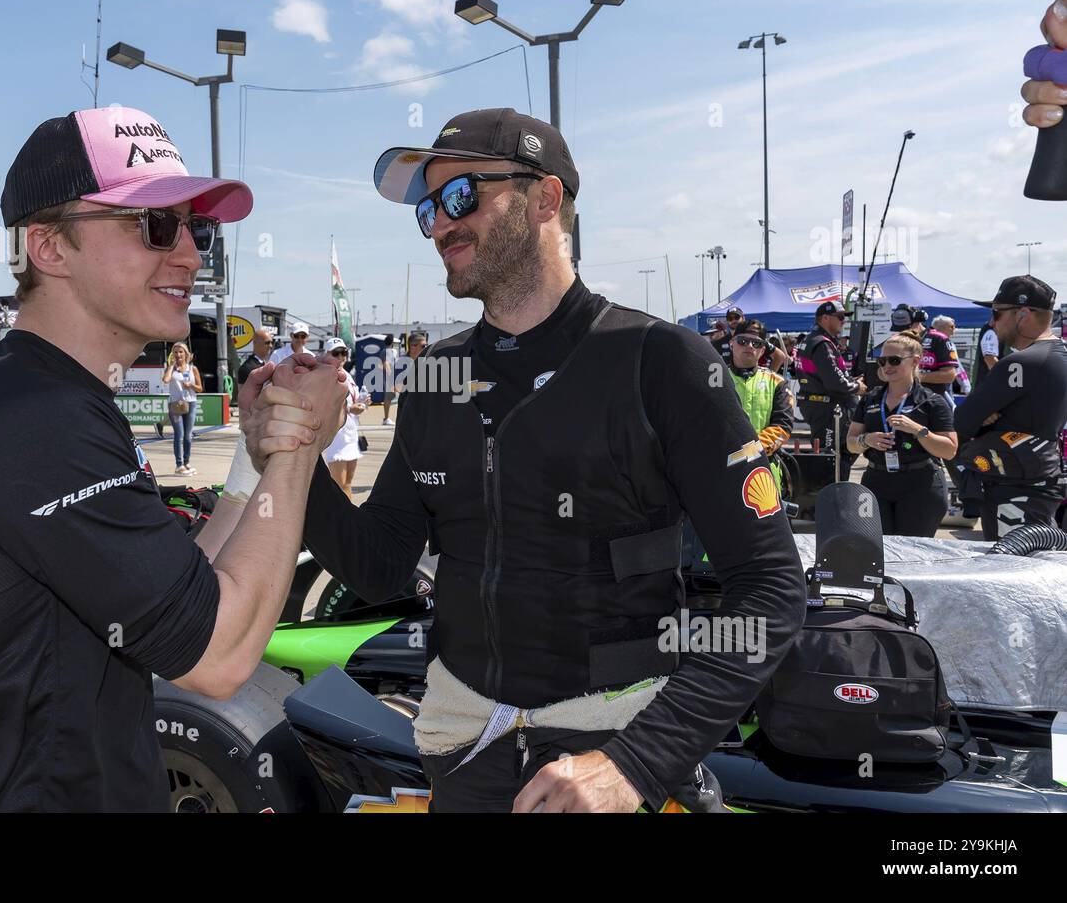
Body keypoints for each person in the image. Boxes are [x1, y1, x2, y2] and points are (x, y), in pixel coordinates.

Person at [244, 106, 806, 813]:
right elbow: (379, 566)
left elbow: (772, 589)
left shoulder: (660, 361)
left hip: (617, 749)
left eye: (461, 196)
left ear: (547, 198)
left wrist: (636, 762)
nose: (441, 224)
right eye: (428, 209)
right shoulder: (436, 377)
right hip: (467, 750)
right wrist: (290, 452)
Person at [0, 105, 348, 812]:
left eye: (197, 226)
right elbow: (218, 656)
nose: (192, 253)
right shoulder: (30, 416)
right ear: (48, 247)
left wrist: (255, 458)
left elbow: (183, 593)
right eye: (155, 224)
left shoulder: (48, 396)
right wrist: (298, 440)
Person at [954, 276, 1067, 541]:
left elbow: (962, 421)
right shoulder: (1059, 356)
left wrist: (985, 421)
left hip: (1013, 491)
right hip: (1038, 483)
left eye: (997, 313)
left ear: (1023, 314)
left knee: (1010, 573)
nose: (992, 322)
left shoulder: (1021, 363)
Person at [847, 334, 958, 537]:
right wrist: (867, 440)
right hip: (876, 481)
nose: (887, 365)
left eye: (895, 360)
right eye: (882, 361)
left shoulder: (931, 401)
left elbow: (950, 450)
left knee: (913, 555)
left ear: (915, 361)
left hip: (920, 484)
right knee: (876, 553)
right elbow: (851, 443)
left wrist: (918, 430)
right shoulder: (871, 399)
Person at [792, 300, 865, 477]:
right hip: (828, 410)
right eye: (840, 317)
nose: (844, 321)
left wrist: (850, 380)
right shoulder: (821, 343)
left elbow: (824, 376)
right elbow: (835, 383)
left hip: (820, 406)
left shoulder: (812, 340)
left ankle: (830, 495)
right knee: (836, 456)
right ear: (825, 318)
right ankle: (836, 498)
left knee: (833, 454)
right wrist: (857, 387)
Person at [727, 320, 794, 493]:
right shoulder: (716, 379)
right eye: (743, 341)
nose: (749, 346)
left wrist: (747, 453)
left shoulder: (777, 382)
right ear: (731, 343)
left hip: (764, 470)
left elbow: (783, 427)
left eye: (756, 343)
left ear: (763, 350)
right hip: (721, 466)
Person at [322, 337, 369, 501]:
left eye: (344, 353)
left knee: (348, 483)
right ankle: (340, 522)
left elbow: (351, 402)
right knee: (338, 486)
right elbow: (324, 405)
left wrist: (362, 403)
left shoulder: (347, 375)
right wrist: (350, 409)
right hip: (336, 435)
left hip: (350, 432)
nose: (341, 357)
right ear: (327, 355)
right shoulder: (324, 376)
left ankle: (348, 520)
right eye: (336, 353)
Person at [163, 341, 201, 476]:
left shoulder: (192, 368)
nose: (178, 354)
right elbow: (166, 380)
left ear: (186, 354)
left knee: (188, 436)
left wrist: (190, 385)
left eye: (181, 352)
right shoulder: (171, 368)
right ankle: (179, 465)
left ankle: (186, 462)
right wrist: (171, 366)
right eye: (175, 352)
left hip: (190, 403)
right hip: (175, 403)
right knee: (179, 435)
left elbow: (200, 388)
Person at [910, 309, 960, 406]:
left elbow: (953, 373)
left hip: (936, 396)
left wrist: (913, 376)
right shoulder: (899, 339)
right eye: (951, 327)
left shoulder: (941, 340)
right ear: (941, 327)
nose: (954, 330)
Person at [972, 313, 1005, 390]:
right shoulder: (991, 331)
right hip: (988, 387)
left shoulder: (993, 329)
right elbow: (989, 358)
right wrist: (1004, 379)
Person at [381, 333, 399, 426]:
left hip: (392, 377)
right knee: (388, 398)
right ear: (392, 342)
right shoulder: (385, 351)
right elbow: (385, 364)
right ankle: (386, 418)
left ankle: (388, 418)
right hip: (389, 378)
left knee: (392, 397)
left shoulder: (392, 351)